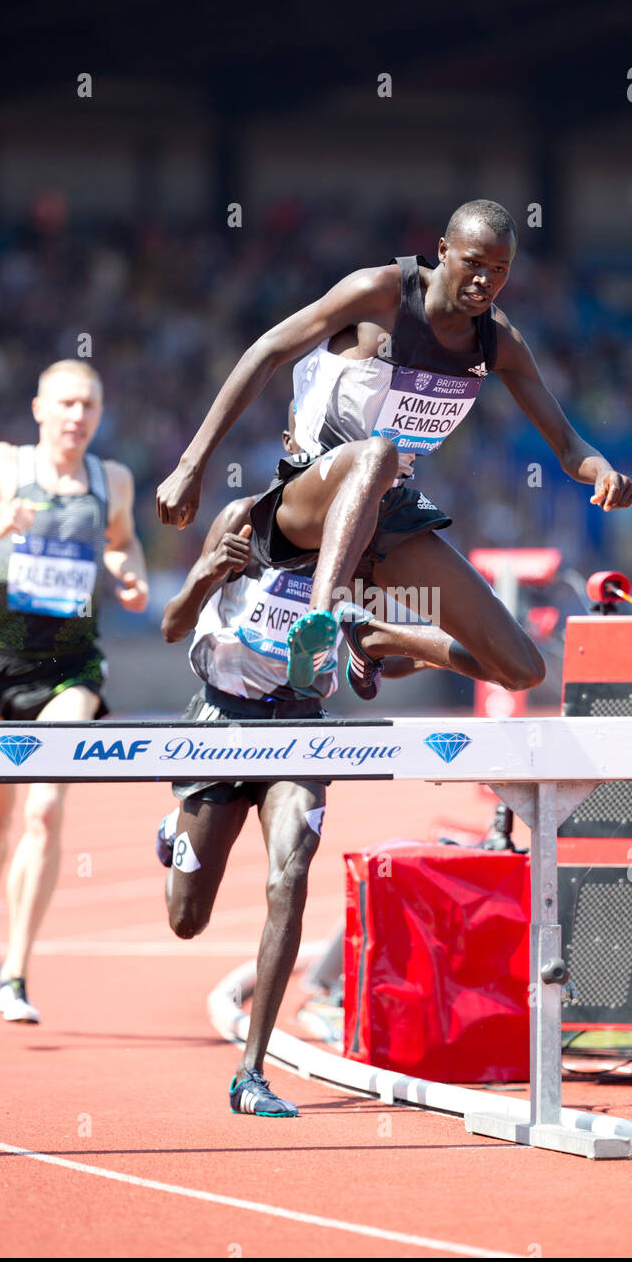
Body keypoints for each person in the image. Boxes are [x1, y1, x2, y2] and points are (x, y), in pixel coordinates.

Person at [156, 199, 632, 694]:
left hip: (385, 510)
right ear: (443, 251)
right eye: (473, 263)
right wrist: (191, 465)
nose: (484, 282)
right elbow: (267, 351)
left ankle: (379, 639)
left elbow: (567, 443)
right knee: (379, 452)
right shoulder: (380, 292)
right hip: (307, 495)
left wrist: (601, 471)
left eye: (500, 270)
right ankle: (318, 626)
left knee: (521, 669)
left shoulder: (498, 343)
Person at [157, 414, 421, 1115]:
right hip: (219, 721)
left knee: (290, 874)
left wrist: (369, 660)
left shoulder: (362, 555)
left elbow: (370, 674)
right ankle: (174, 835)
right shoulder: (243, 519)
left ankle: (252, 1074)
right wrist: (207, 575)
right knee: (187, 919)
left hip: (298, 729)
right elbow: (173, 625)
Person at [0, 360, 148, 1022]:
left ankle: (15, 974)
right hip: (1, 666)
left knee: (43, 809)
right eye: (65, 404)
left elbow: (124, 544)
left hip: (72, 668)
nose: (77, 417)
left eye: (88, 406)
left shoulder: (111, 479)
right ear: (39, 409)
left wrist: (129, 576)